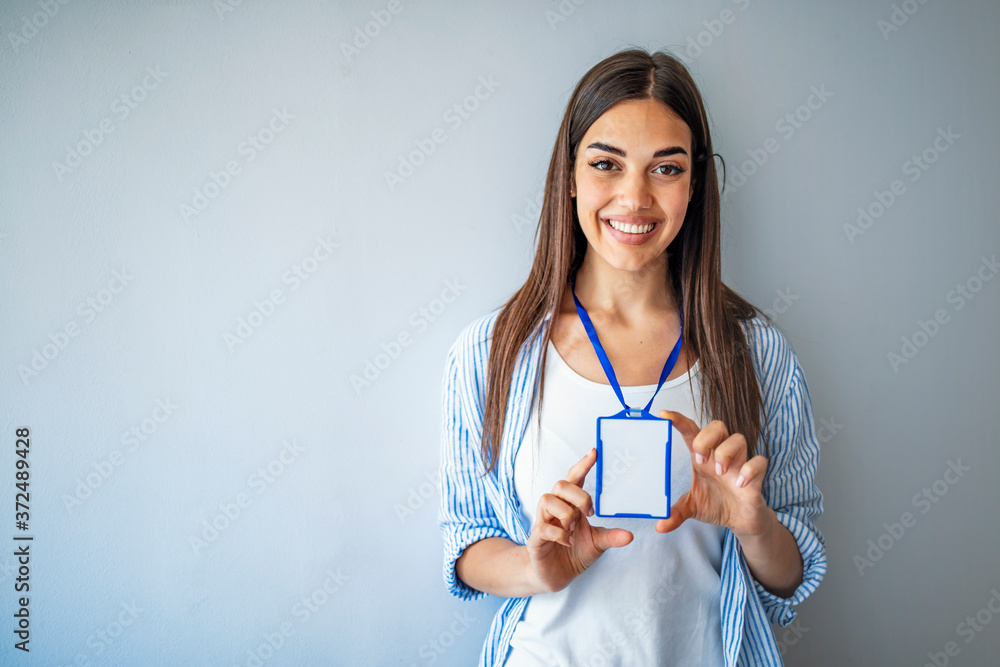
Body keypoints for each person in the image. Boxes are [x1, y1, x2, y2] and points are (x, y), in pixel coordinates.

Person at [437, 48, 826, 667]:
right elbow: (465, 545)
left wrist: (752, 524)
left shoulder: (758, 353)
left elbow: (791, 577)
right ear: (569, 176)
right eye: (605, 164)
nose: (634, 197)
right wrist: (540, 567)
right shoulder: (492, 353)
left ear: (695, 183)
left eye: (665, 168)